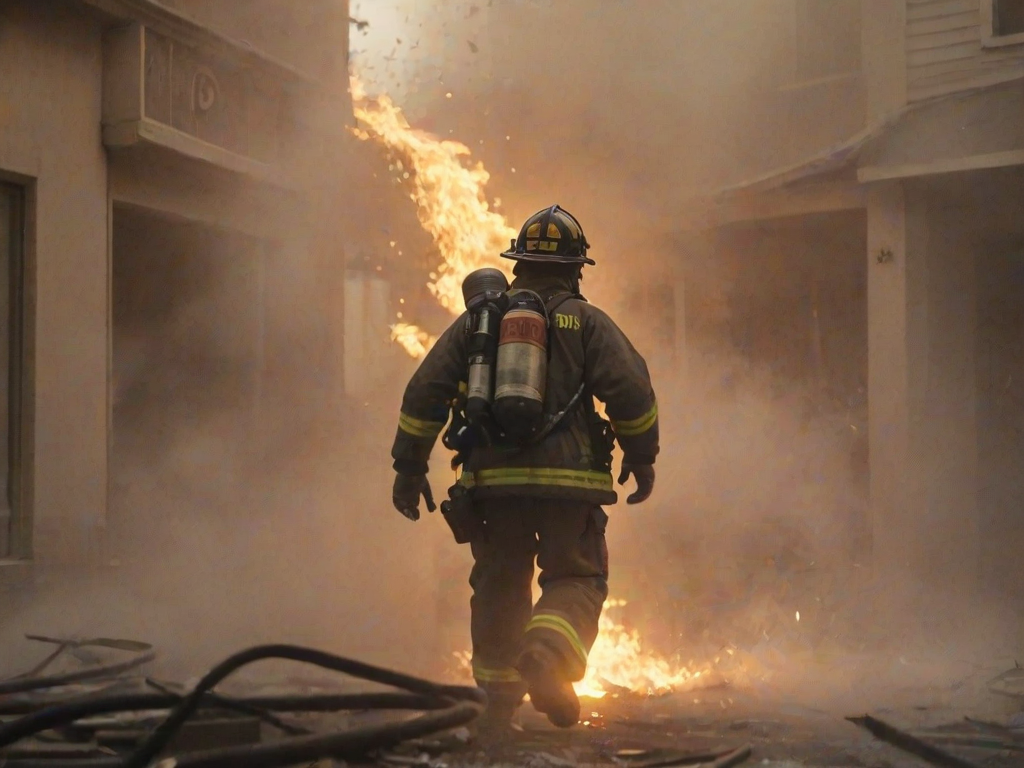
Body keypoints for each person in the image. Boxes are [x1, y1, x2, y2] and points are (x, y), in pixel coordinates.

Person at [390, 204, 659, 731]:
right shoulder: (586, 322)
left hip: (492, 486)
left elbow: (426, 392)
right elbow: (631, 392)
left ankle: (497, 702)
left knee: (499, 585)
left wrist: (409, 466)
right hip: (570, 484)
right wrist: (641, 456)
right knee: (576, 576)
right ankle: (547, 653)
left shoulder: (479, 323)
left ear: (517, 264)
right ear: (577, 268)